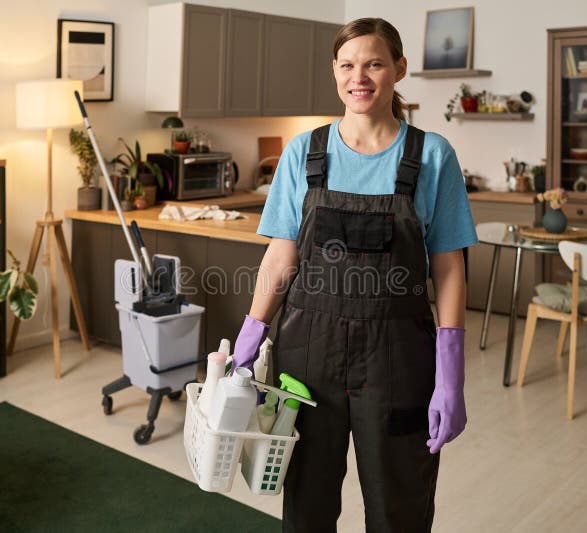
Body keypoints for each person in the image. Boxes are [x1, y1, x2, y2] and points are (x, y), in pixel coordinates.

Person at [231, 17, 477, 532]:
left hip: (399, 359)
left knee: (399, 507)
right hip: (307, 358)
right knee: (307, 502)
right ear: (334, 72)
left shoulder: (431, 156)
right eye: (347, 65)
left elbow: (449, 267)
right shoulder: (304, 152)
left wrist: (450, 373)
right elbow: (281, 258)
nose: (358, 77)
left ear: (399, 70)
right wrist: (249, 337)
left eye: (374, 63)